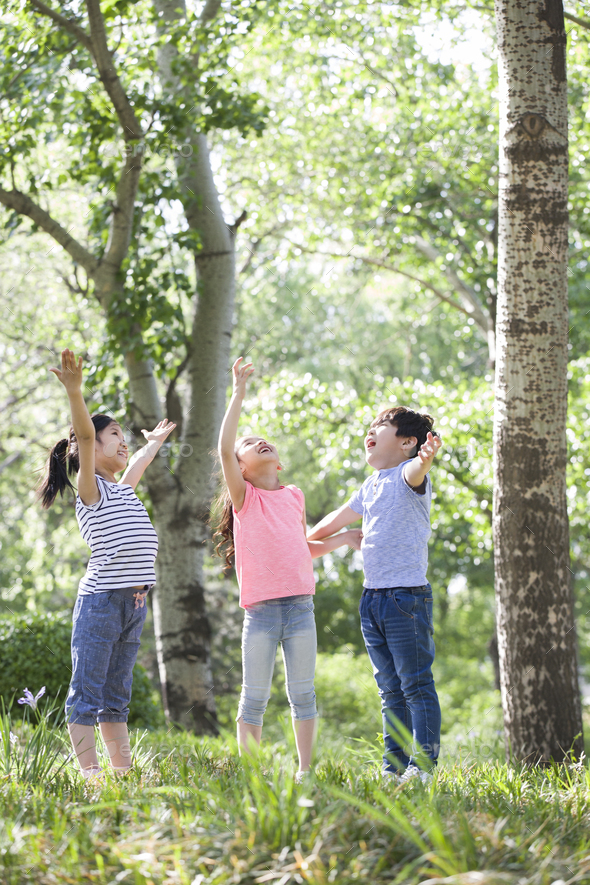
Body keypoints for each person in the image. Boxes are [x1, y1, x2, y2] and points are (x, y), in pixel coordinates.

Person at [213, 357, 362, 780]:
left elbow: (302, 547)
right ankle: (251, 774)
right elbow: (224, 447)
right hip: (260, 615)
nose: (260, 442)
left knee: (303, 693)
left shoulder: (293, 496)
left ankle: (305, 771)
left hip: (300, 609)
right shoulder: (245, 500)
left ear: (278, 463)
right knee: (253, 698)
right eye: (250, 443)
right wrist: (238, 390)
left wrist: (341, 540)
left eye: (265, 441)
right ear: (240, 469)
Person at [38, 348, 176, 779]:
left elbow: (135, 465)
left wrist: (151, 446)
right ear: (89, 450)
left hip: (135, 603)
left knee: (117, 696)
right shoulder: (91, 490)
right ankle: (91, 775)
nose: (122, 441)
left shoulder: (123, 490)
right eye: (114, 434)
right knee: (87, 693)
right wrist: (75, 394)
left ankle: (121, 773)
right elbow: (81, 436)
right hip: (101, 603)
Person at [307, 406, 442, 782]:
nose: (370, 432)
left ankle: (424, 766)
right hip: (373, 601)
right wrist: (337, 537)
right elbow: (320, 530)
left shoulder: (408, 474)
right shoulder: (368, 486)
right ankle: (393, 767)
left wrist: (425, 458)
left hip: (406, 599)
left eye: (380, 427)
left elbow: (417, 471)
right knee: (390, 690)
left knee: (416, 684)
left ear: (406, 443)